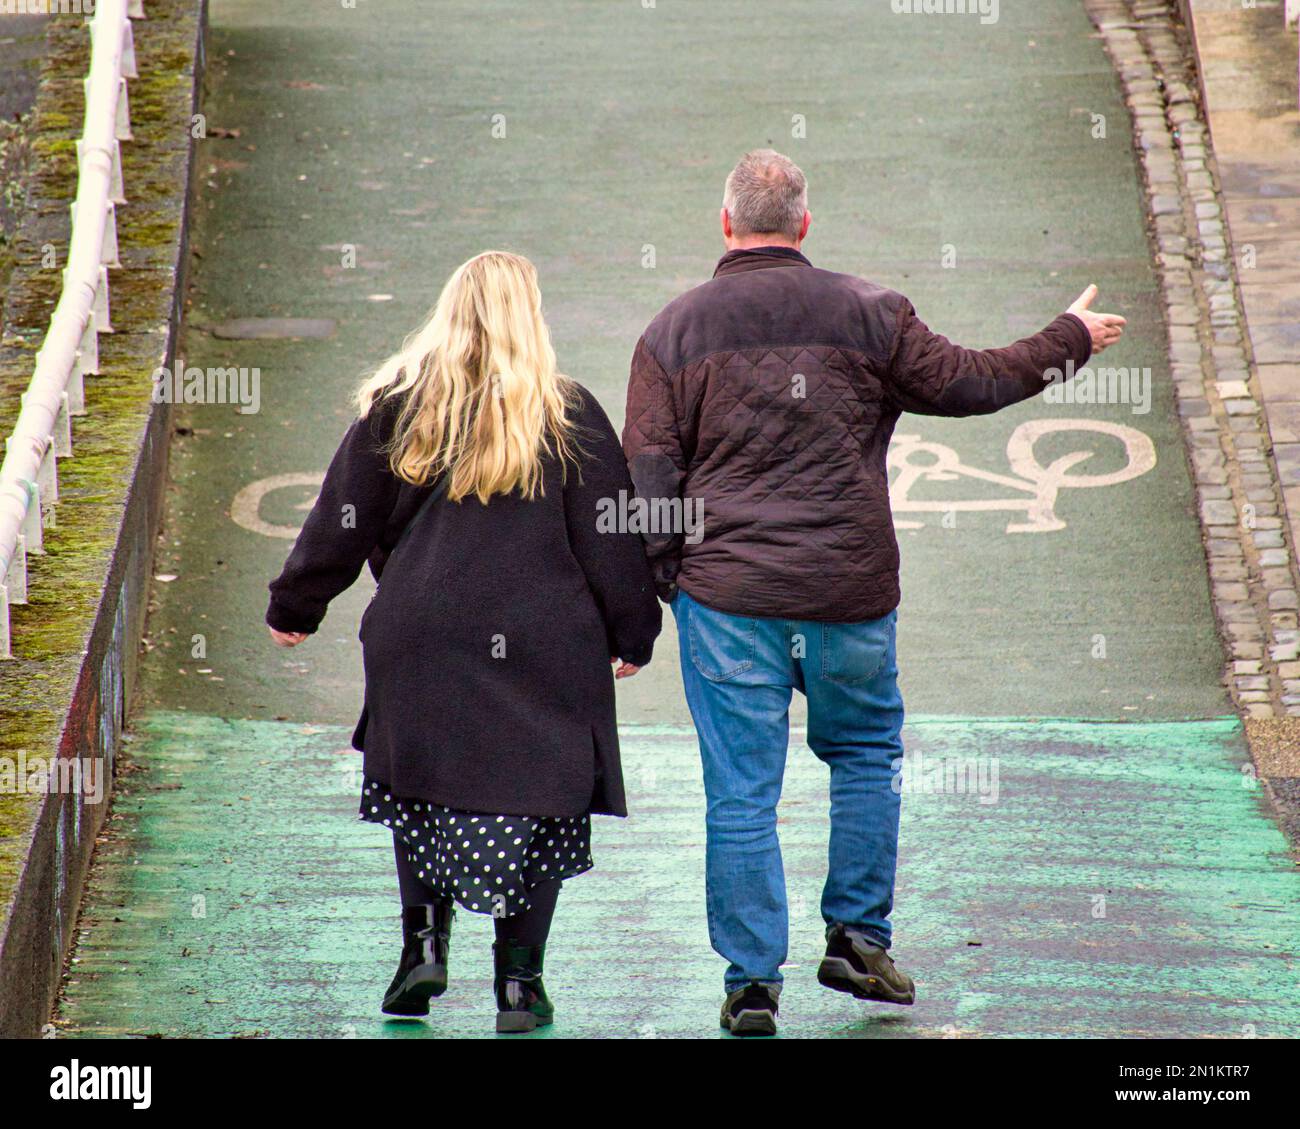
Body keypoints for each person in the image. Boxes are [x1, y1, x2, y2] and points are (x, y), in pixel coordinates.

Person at [622, 149, 1125, 1037]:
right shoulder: (871, 314)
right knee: (862, 756)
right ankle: (857, 935)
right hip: (848, 590)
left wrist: (669, 587)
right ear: (804, 225)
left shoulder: (672, 332)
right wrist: (1068, 341)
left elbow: (649, 477)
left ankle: (751, 982)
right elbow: (975, 381)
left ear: (727, 225)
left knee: (741, 789)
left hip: (728, 598)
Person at [266, 250, 661, 1033]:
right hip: (545, 639)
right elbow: (610, 537)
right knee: (543, 801)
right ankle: (519, 984)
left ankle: (422, 951)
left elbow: (340, 517)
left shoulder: (398, 408)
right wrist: (633, 630)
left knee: (421, 788)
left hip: (422, 636)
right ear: (530, 317)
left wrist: (298, 604)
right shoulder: (568, 412)